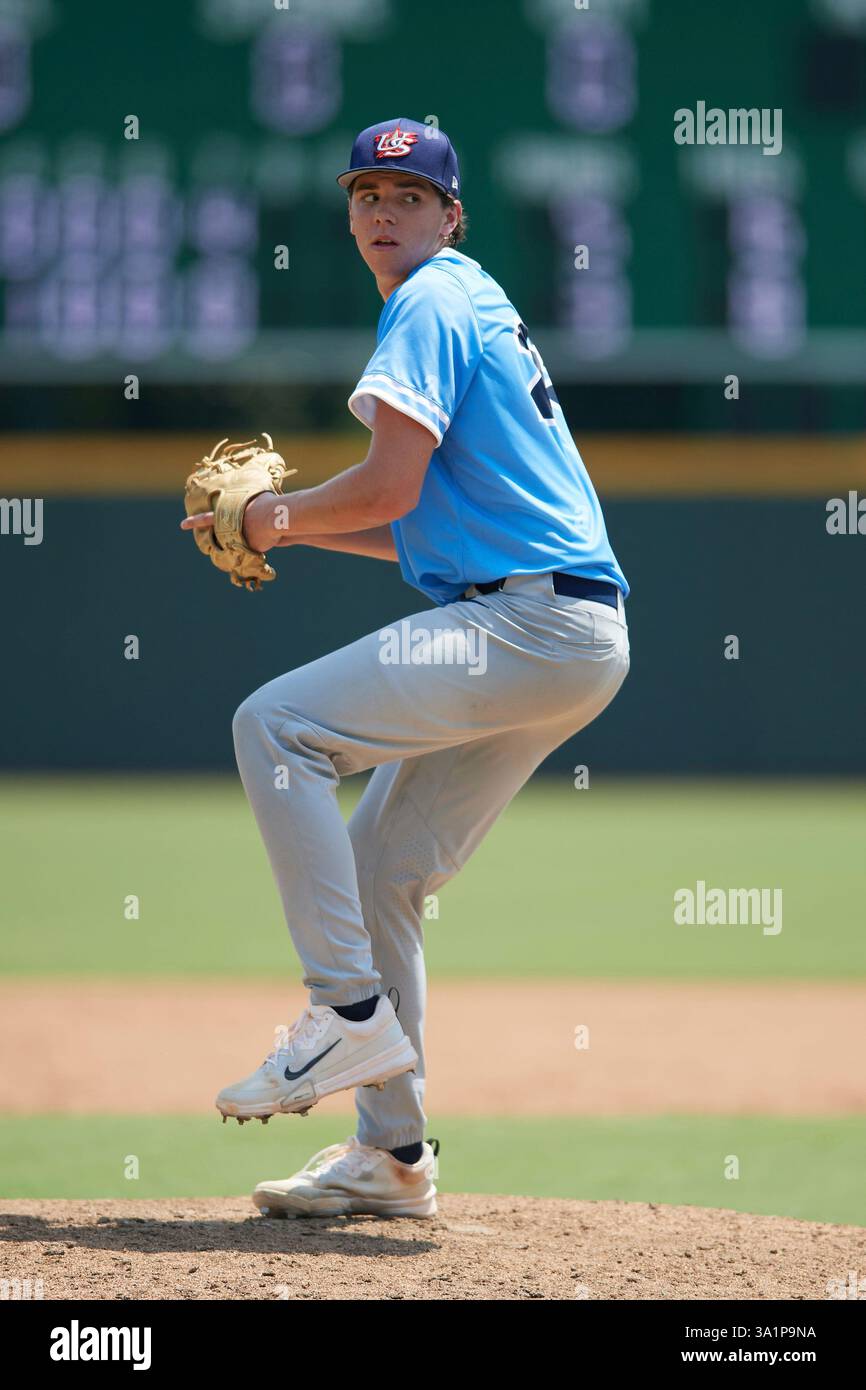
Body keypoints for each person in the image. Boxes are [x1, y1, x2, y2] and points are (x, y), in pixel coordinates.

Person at [181, 117, 630, 1220]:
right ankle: (392, 1151)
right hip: (564, 629)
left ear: (449, 215)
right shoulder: (466, 299)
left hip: (523, 625)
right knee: (382, 865)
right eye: (365, 196)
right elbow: (411, 520)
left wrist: (274, 516)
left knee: (273, 726)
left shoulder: (429, 298)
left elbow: (383, 490)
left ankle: (340, 1011)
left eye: (407, 195)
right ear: (350, 214)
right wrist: (284, 527)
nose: (383, 213)